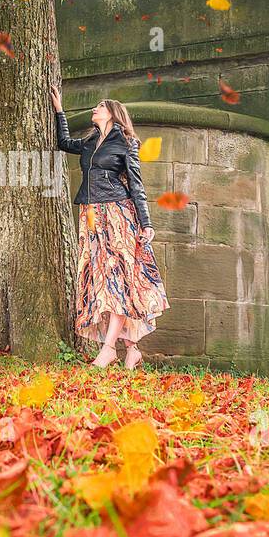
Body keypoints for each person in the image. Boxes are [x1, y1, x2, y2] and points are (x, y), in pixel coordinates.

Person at [50, 85, 170, 369]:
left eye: (99, 107)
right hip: (91, 216)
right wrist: (59, 111)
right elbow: (64, 143)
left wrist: (146, 223)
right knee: (103, 280)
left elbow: (136, 185)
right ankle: (132, 348)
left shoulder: (127, 143)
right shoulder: (90, 142)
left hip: (118, 215)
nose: (94, 109)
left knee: (116, 278)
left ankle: (108, 349)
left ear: (113, 115)